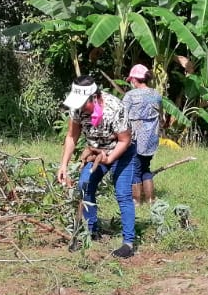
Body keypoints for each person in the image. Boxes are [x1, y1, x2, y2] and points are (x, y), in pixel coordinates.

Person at [57, 76, 137, 258]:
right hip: (96, 152)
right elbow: (71, 137)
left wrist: (108, 159)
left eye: (82, 103)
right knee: (84, 185)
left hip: (122, 152)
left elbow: (125, 140)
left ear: (94, 98)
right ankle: (90, 231)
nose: (78, 107)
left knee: (122, 193)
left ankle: (128, 243)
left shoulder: (115, 108)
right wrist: (63, 165)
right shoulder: (77, 109)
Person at [122, 62, 162, 206]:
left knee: (135, 169)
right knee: (145, 168)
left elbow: (122, 117)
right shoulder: (156, 95)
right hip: (152, 138)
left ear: (134, 79)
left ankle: (136, 201)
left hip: (136, 138)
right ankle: (151, 200)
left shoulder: (130, 96)